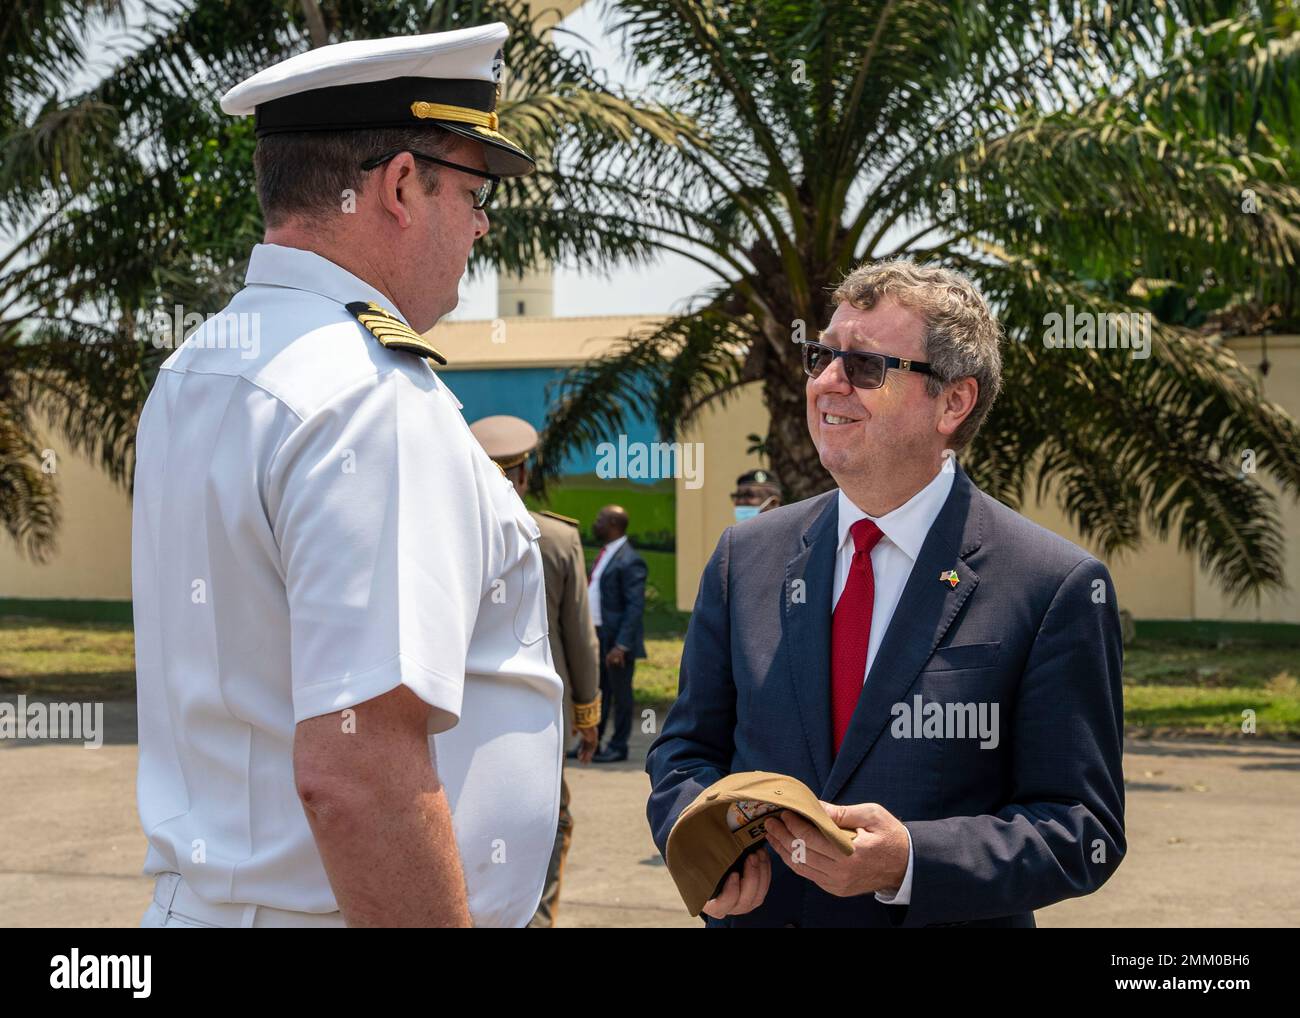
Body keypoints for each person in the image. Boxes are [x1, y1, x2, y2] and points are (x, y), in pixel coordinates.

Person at [132, 23, 563, 928]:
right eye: (476, 190)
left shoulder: (201, 367)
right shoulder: (369, 395)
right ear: (402, 187)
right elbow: (358, 773)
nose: (483, 224)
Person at [646, 258, 1126, 927]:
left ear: (952, 402)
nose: (827, 383)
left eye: (866, 367)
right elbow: (685, 751)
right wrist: (702, 843)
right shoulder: (744, 558)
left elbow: (1081, 829)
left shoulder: (1052, 586)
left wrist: (910, 862)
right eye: (821, 357)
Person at [467, 414, 602, 928]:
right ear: (523, 475)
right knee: (545, 825)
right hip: (539, 717)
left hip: (456, 716)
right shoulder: (557, 539)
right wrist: (587, 715)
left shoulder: (440, 532)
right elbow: (579, 639)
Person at [588, 505, 648, 763]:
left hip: (617, 641)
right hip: (600, 636)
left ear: (613, 523)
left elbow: (635, 606)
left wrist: (622, 645)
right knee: (600, 692)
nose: (595, 522)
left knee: (621, 696)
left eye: (600, 518)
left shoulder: (629, 559)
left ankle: (619, 745)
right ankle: (594, 742)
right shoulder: (606, 554)